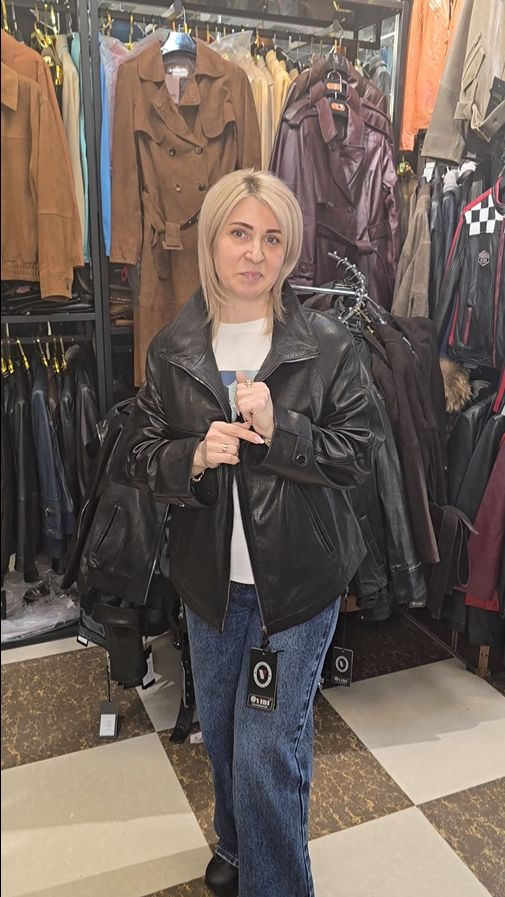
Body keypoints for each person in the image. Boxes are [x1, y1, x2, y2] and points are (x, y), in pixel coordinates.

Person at [123, 169, 383, 897]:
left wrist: (282, 429)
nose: (255, 253)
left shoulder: (327, 345)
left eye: (272, 238)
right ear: (212, 241)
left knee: (268, 749)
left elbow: (359, 454)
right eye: (240, 233)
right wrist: (192, 456)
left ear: (288, 251)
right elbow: (139, 456)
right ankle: (236, 843)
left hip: (296, 586)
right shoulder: (174, 347)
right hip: (209, 586)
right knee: (224, 734)